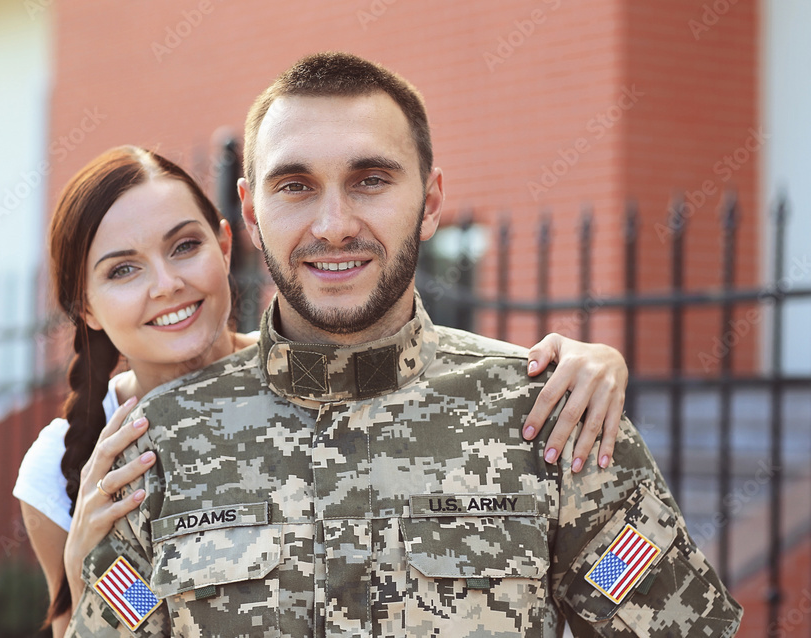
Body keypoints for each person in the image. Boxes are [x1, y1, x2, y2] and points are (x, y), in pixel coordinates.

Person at [65, 52, 742, 637]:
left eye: (371, 179)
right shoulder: (156, 449)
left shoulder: (554, 419)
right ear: (249, 211)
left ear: (431, 200)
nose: (333, 226)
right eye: (295, 186)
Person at [13, 146, 629, 636]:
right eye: (123, 269)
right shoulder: (79, 468)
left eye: (185, 246)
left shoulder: (324, 375)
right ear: (83, 306)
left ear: (227, 244)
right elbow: (133, 617)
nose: (166, 284)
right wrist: (91, 570)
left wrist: (588, 361)